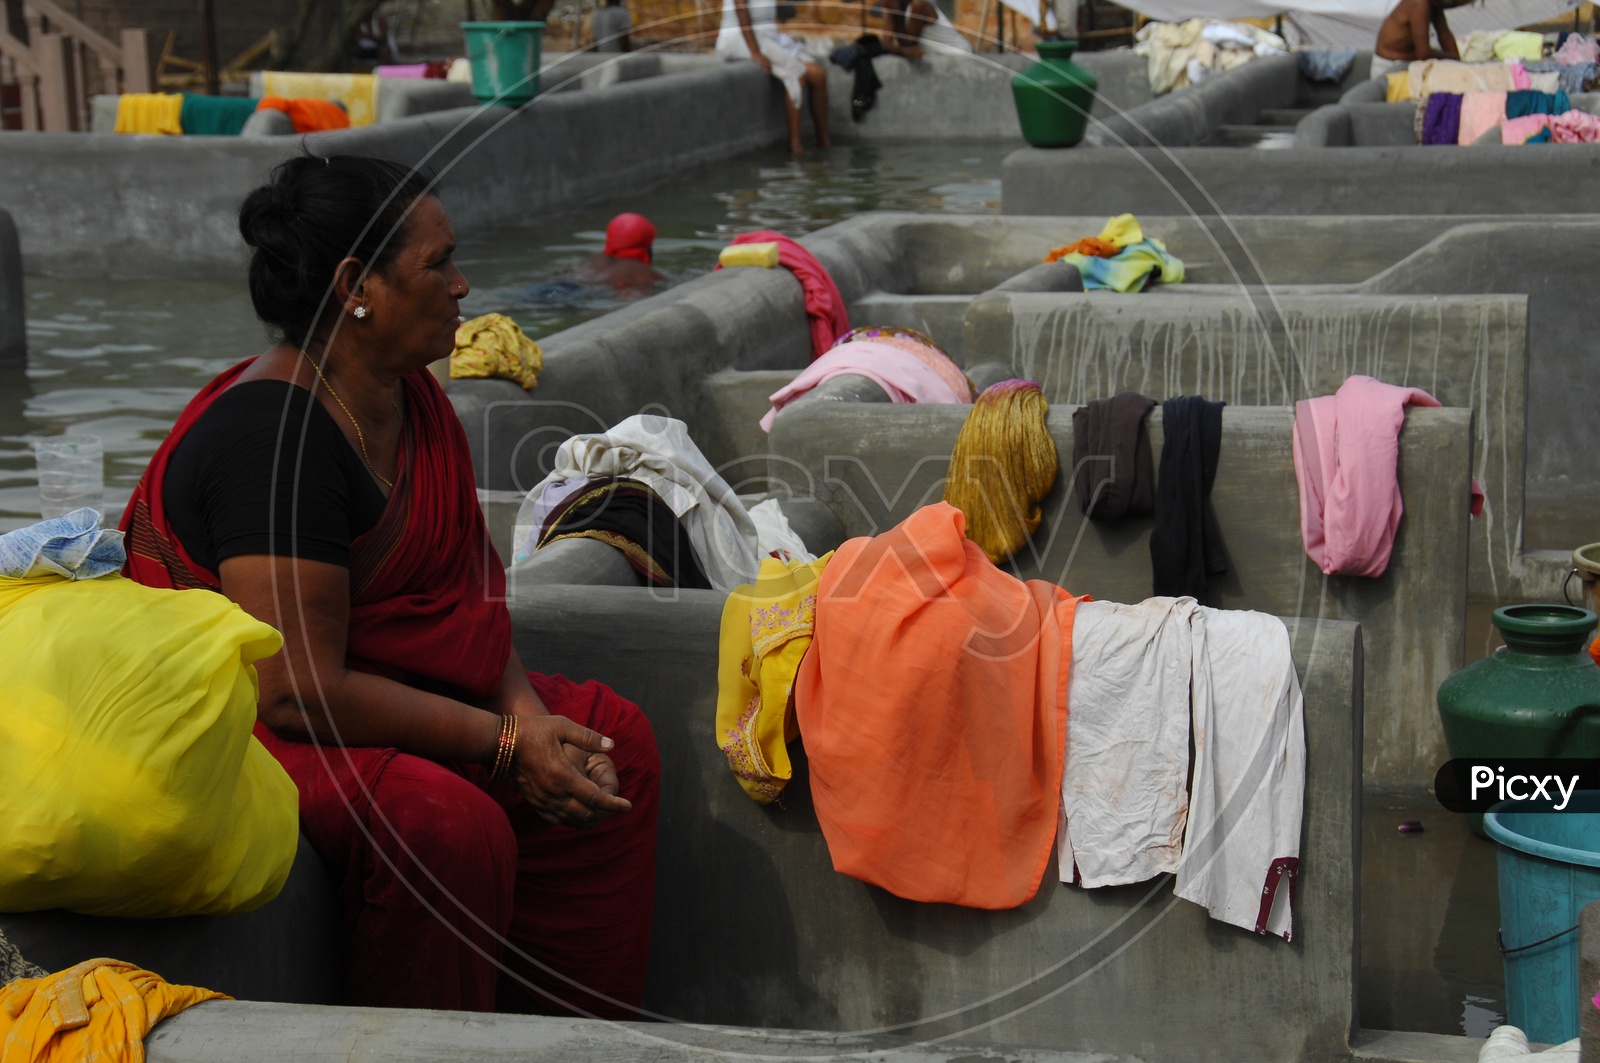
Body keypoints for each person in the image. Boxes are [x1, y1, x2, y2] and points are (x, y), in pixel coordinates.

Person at [118, 154, 659, 1018]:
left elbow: (465, 608)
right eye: (437, 264)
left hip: (362, 694)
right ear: (353, 286)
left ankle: (564, 1031)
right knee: (446, 824)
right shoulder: (273, 440)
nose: (461, 284)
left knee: (609, 740)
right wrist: (506, 746)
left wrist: (524, 717)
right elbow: (295, 691)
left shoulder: (410, 398)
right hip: (247, 724)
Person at [715, 0, 831, 155]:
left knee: (818, 74)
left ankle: (823, 141)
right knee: (796, 73)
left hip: (770, 37)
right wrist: (755, 52)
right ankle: (795, 145)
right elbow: (741, 9)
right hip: (741, 38)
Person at [1372, 0, 1468, 78]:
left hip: (1407, 63)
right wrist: (1451, 58)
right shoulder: (1419, 3)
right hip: (1389, 67)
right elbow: (1423, 54)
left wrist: (1460, 65)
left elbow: (1445, 36)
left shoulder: (1434, 4)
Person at [571, 212, 665, 290]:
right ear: (646, 245)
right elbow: (668, 285)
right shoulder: (638, 269)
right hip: (589, 293)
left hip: (568, 285)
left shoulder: (595, 259)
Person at [880, 0, 973, 58]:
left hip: (959, 55)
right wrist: (892, 12)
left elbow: (908, 45)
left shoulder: (919, 6)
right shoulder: (892, 7)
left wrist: (894, 14)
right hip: (939, 58)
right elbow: (885, 45)